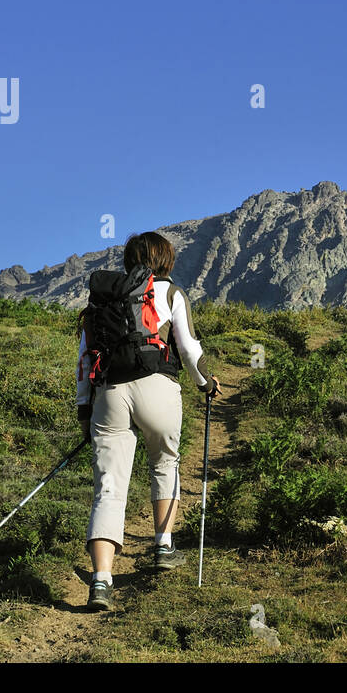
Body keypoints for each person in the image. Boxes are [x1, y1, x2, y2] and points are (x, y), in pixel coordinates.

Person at [75, 231, 221, 612]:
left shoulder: (102, 298)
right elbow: (189, 349)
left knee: (109, 484)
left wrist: (84, 409)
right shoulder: (170, 293)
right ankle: (162, 545)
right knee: (164, 462)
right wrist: (206, 383)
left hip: (109, 393)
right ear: (166, 260)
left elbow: (85, 360)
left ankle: (101, 582)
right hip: (157, 387)